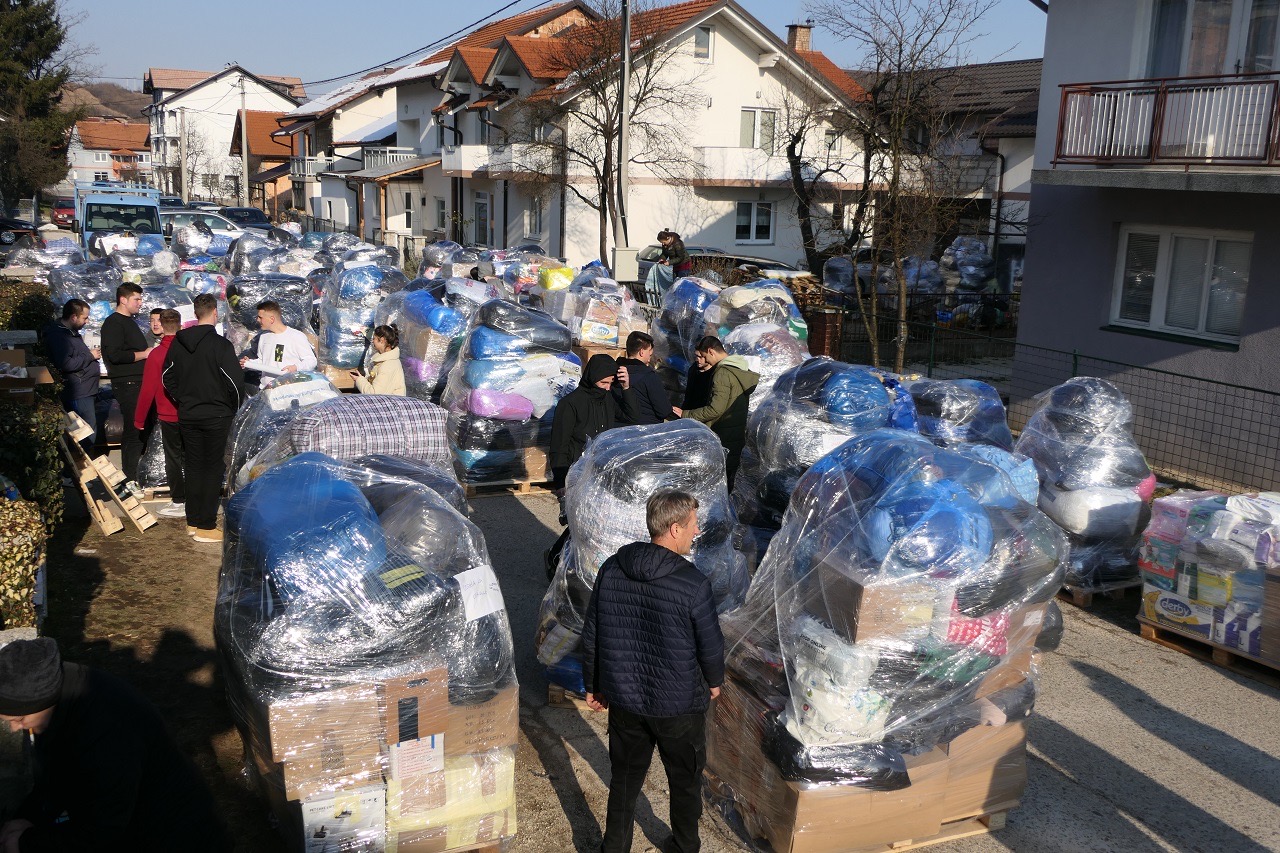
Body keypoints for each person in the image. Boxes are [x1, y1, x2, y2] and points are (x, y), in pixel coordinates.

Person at [581, 489, 724, 853]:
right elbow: (709, 642)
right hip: (678, 706)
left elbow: (593, 630)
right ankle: (684, 845)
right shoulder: (693, 584)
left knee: (625, 779)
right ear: (674, 528)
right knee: (685, 781)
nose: (696, 532)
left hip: (626, 699)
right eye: (693, 525)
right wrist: (714, 681)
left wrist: (594, 684)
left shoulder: (612, 568)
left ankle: (614, 847)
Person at [0, 638, 232, 853]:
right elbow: (58, 776)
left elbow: (101, 829)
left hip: (172, 836)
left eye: (19, 720)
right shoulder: (58, 697)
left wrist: (28, 842)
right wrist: (29, 817)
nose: (14, 728)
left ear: (42, 700)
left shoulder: (107, 732)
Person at [163, 293, 244, 543]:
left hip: (189, 413)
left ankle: (194, 520)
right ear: (215, 313)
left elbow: (167, 377)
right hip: (216, 414)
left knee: (194, 466)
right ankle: (206, 525)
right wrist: (234, 407)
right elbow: (235, 383)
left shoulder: (177, 343)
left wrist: (183, 399)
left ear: (196, 313)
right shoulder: (220, 345)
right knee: (212, 468)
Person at [681, 336, 759, 488]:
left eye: (703, 356)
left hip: (721, 438)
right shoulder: (739, 368)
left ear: (710, 351)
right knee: (728, 485)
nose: (702, 361)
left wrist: (685, 415)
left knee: (714, 487)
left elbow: (715, 409)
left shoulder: (722, 373)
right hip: (734, 438)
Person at [549, 354, 634, 491]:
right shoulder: (570, 404)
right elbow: (559, 446)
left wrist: (626, 388)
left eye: (611, 383)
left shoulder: (607, 399)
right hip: (576, 473)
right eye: (604, 383)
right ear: (592, 379)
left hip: (601, 471)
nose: (607, 388)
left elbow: (632, 417)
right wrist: (561, 484)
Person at [134, 309, 186, 520]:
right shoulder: (189, 351)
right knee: (192, 456)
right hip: (192, 411)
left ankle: (179, 499)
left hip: (168, 413)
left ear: (162, 327)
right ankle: (193, 495)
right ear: (180, 325)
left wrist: (139, 418)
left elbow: (148, 389)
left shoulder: (156, 355)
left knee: (173, 458)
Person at [100, 283, 154, 483]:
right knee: (133, 431)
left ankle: (137, 473)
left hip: (138, 382)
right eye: (136, 299)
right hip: (128, 384)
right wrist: (145, 354)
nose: (140, 303)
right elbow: (114, 355)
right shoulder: (114, 323)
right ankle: (129, 478)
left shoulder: (129, 321)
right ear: (123, 299)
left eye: (140, 299)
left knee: (142, 429)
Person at [42, 299, 101, 453]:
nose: (87, 321)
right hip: (78, 391)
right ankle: (81, 470)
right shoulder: (60, 336)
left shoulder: (71, 333)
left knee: (87, 430)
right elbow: (65, 363)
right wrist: (90, 356)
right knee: (84, 432)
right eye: (84, 318)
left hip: (85, 389)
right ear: (74, 317)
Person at [240, 300, 318, 378]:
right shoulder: (264, 337)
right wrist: (249, 363)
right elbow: (264, 362)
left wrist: (296, 367)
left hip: (287, 386)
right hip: (267, 387)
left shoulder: (296, 336)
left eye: (260, 317)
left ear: (272, 319)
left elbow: (311, 361)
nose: (257, 320)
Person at [614, 331, 676, 426]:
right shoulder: (649, 376)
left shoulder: (614, 372)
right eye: (650, 354)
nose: (650, 358)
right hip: (646, 431)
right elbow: (664, 411)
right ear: (642, 352)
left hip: (617, 429)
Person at [350, 324, 406, 395]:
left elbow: (374, 394)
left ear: (382, 340)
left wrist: (359, 380)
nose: (373, 341)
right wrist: (362, 379)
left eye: (374, 339)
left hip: (391, 405)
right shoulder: (384, 361)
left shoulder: (388, 366)